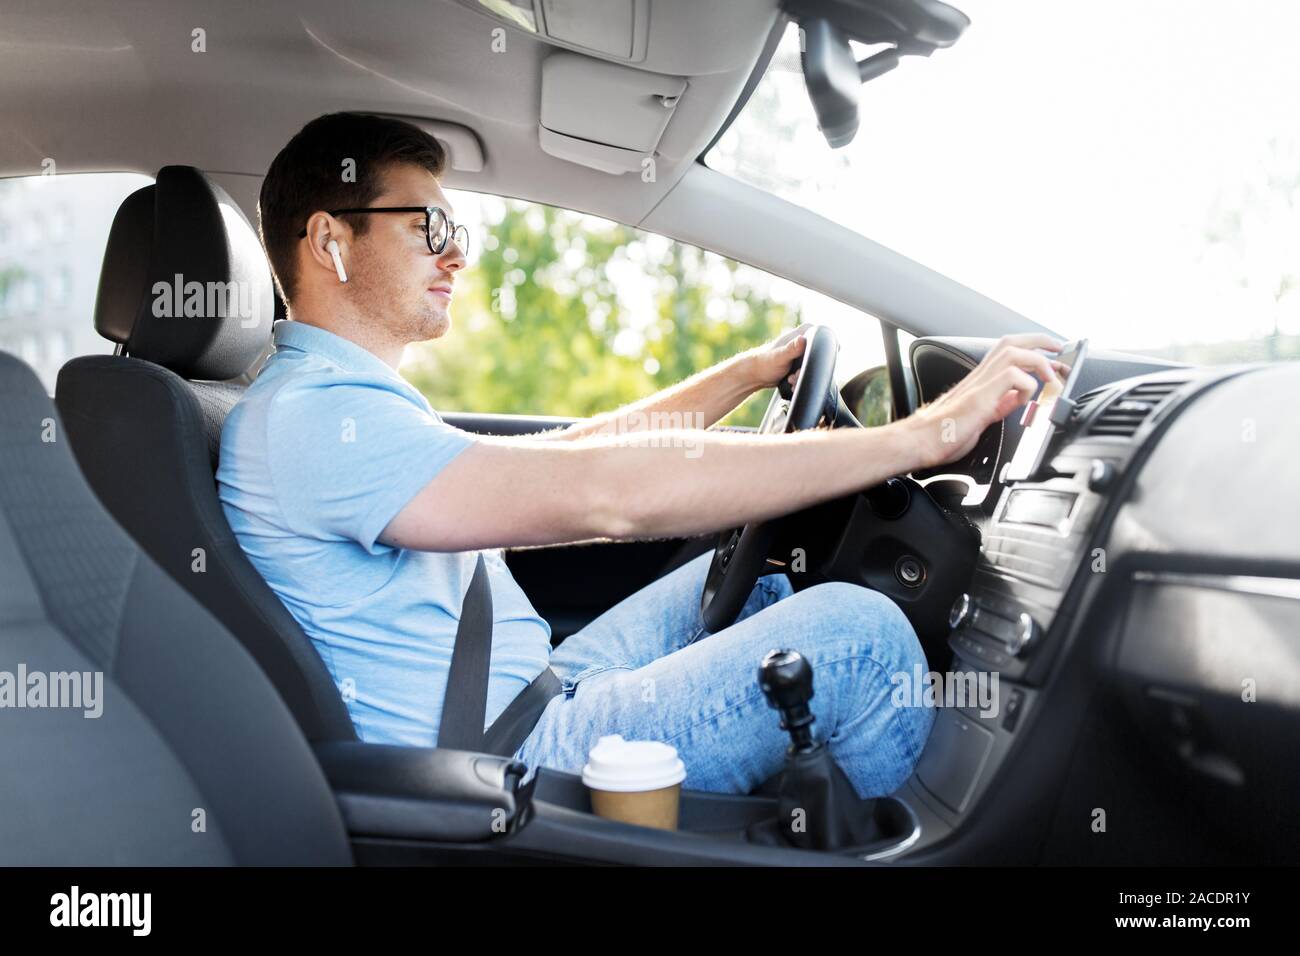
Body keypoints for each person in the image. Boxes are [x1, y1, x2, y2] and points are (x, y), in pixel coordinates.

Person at [218, 112, 1063, 798]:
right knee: (861, 638)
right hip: (503, 753)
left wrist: (742, 377)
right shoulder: (314, 421)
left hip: (527, 689)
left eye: (458, 229)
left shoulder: (333, 403)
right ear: (329, 241)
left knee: (759, 588)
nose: (455, 253)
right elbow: (603, 496)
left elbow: (568, 458)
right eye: (429, 223)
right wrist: (927, 436)